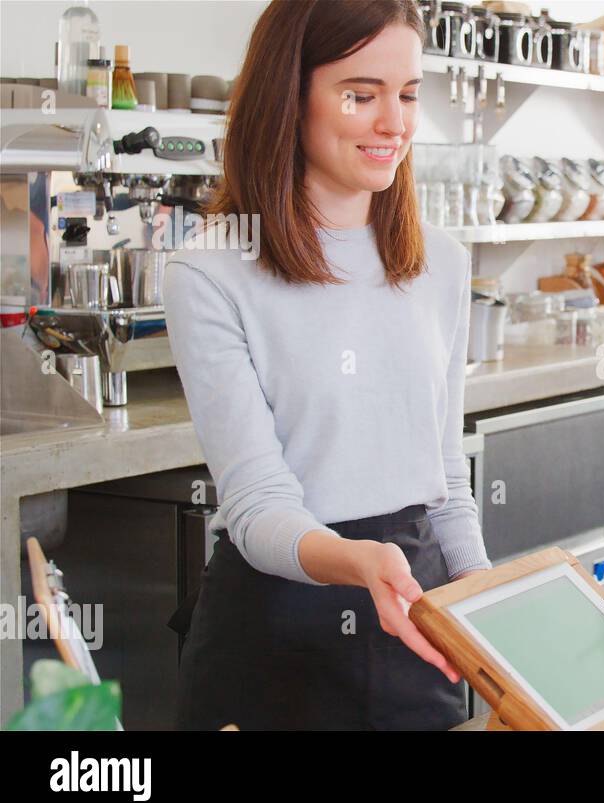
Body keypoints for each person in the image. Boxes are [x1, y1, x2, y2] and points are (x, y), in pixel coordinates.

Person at [164, 0, 489, 730]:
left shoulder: (440, 263)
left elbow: (444, 482)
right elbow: (256, 502)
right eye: (361, 94)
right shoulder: (211, 270)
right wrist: (356, 561)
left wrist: (491, 598)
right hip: (275, 637)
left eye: (407, 95)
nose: (394, 123)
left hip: (411, 617)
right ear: (290, 95)